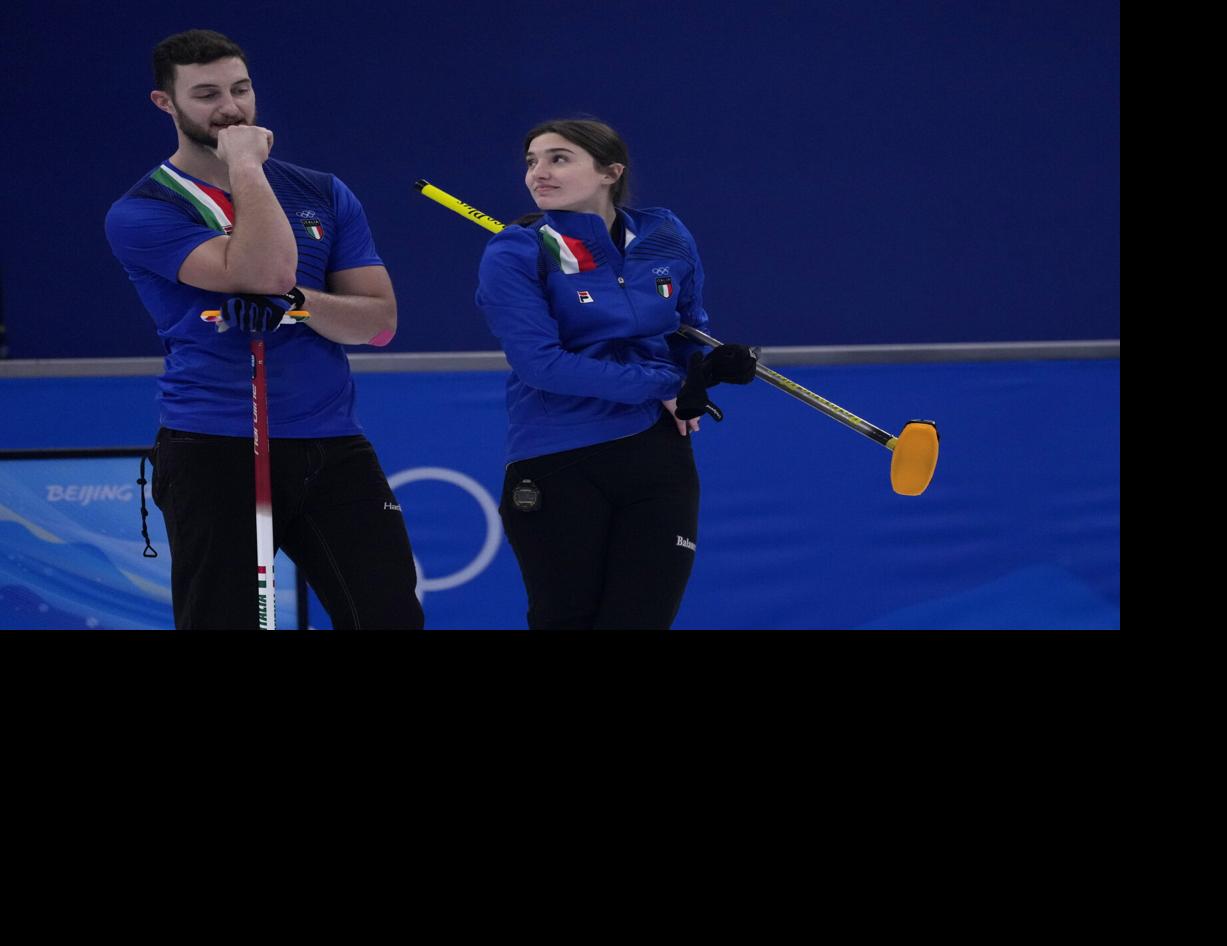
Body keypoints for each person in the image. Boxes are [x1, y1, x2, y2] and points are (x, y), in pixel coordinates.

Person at [104, 29, 423, 629]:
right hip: (215, 447)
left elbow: (379, 324)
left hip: (332, 443)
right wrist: (246, 163)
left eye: (240, 89)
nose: (230, 108)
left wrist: (298, 304)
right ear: (164, 103)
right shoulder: (144, 210)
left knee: (390, 617)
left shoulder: (323, 192)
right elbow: (263, 269)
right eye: (206, 95)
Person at [476, 118, 758, 629]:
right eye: (532, 161)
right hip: (559, 457)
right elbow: (542, 364)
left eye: (558, 158)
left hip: (657, 455)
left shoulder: (665, 234)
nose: (539, 172)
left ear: (611, 171)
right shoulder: (516, 250)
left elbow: (689, 329)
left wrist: (705, 370)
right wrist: (668, 385)